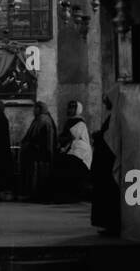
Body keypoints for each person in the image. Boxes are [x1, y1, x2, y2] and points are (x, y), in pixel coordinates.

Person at [90, 91, 122, 235]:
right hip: (105, 161)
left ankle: (112, 226)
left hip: (108, 161)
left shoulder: (115, 117)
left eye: (107, 99)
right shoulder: (112, 116)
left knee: (110, 195)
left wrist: (99, 135)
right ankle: (108, 225)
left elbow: (111, 138)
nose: (104, 102)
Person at [51, 99, 92, 202]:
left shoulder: (78, 122)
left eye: (73, 107)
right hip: (70, 149)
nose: (70, 110)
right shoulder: (70, 121)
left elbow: (73, 136)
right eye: (69, 107)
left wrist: (64, 140)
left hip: (78, 151)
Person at [19, 101, 57, 202]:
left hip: (39, 152)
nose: (33, 110)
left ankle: (35, 195)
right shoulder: (44, 118)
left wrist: (27, 144)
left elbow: (34, 136)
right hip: (41, 151)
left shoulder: (42, 119)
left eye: (35, 108)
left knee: (37, 175)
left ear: (40, 109)